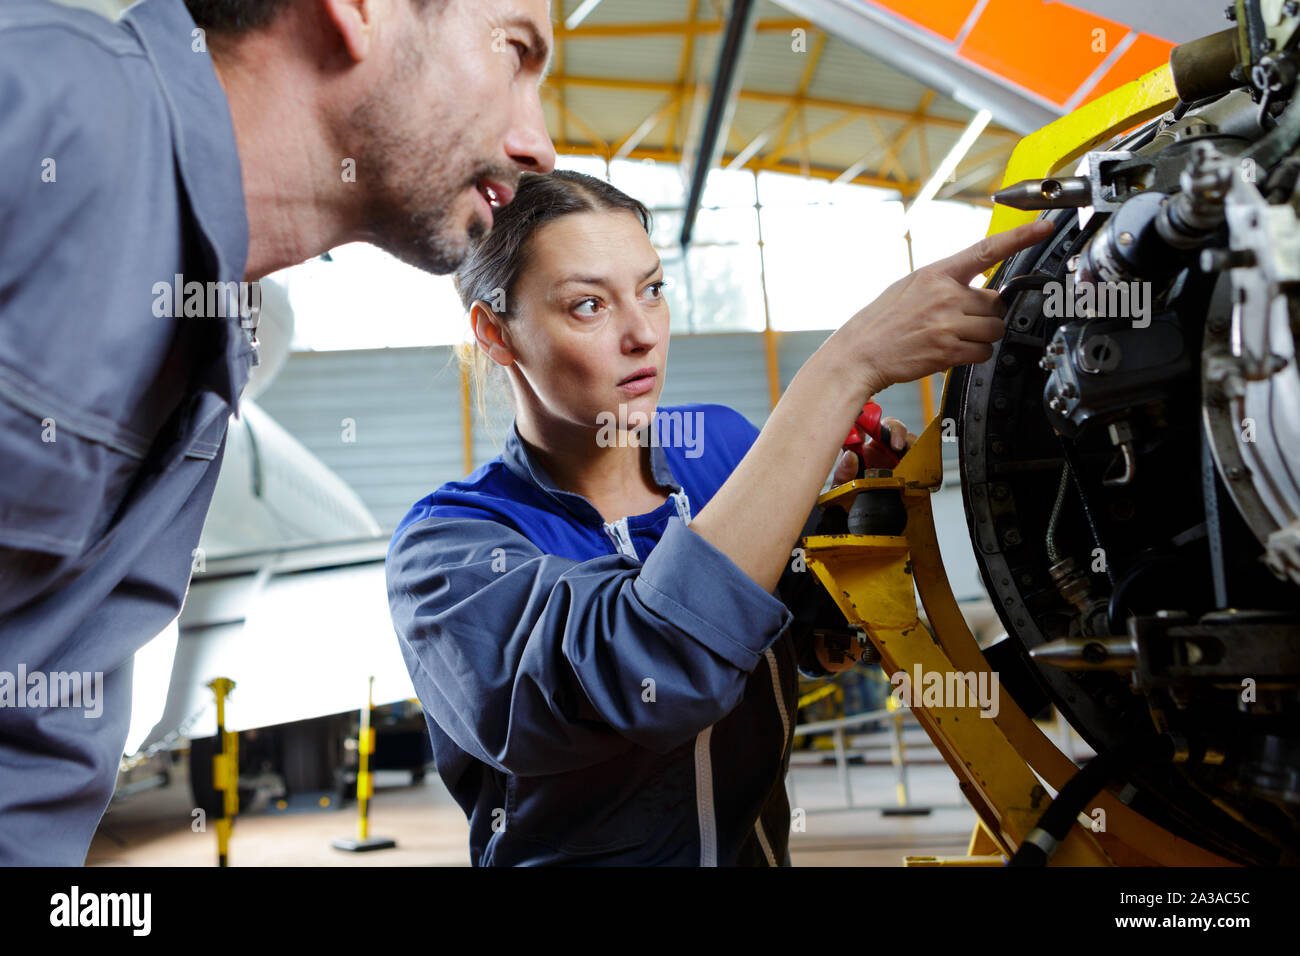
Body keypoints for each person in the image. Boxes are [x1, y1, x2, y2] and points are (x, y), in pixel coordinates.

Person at [0, 0, 555, 865]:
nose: (540, 143)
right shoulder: (36, 101)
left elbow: (27, 756)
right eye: (515, 52)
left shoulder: (207, 350)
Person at [385, 170, 1054, 865]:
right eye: (588, 305)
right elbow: (651, 668)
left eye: (652, 289)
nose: (642, 333)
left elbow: (798, 637)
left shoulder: (723, 446)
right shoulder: (448, 552)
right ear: (496, 333)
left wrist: (841, 545)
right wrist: (840, 369)